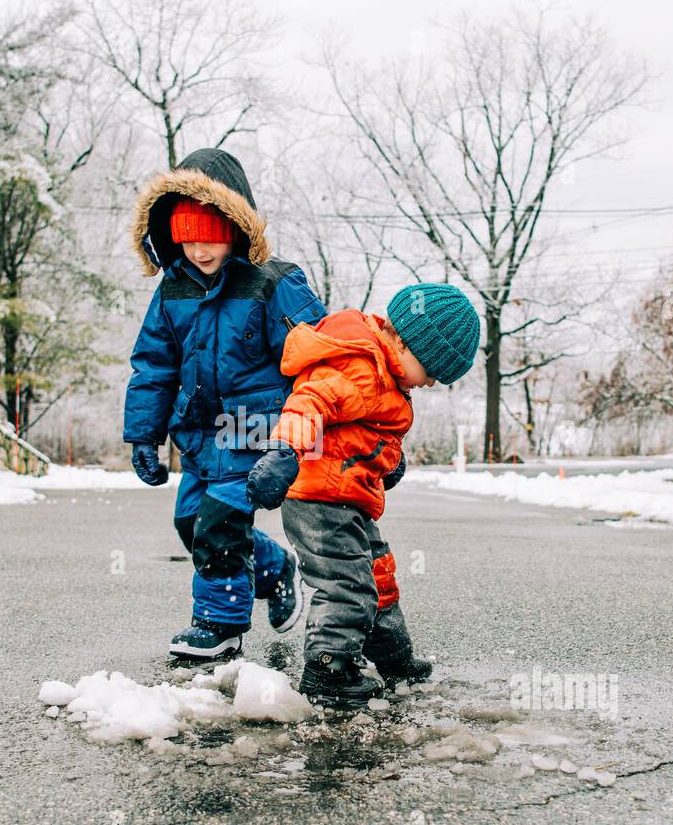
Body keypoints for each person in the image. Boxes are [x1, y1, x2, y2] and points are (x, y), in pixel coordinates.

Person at [123, 147, 326, 659]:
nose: (199, 250)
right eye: (186, 237)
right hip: (199, 435)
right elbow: (154, 363)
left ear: (237, 225)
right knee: (191, 525)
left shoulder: (273, 283)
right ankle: (274, 567)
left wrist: (302, 439)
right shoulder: (173, 290)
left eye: (210, 234)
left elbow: (321, 357)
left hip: (255, 432)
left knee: (218, 525)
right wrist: (145, 433)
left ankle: (220, 624)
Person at [246, 283, 481, 706]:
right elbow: (309, 404)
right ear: (406, 342)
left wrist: (387, 460)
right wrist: (284, 452)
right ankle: (328, 670)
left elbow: (365, 429)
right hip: (319, 500)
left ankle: (392, 656)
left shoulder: (386, 375)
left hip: (347, 498)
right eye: (430, 370)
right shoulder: (360, 367)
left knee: (377, 575)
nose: (428, 383)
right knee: (346, 582)